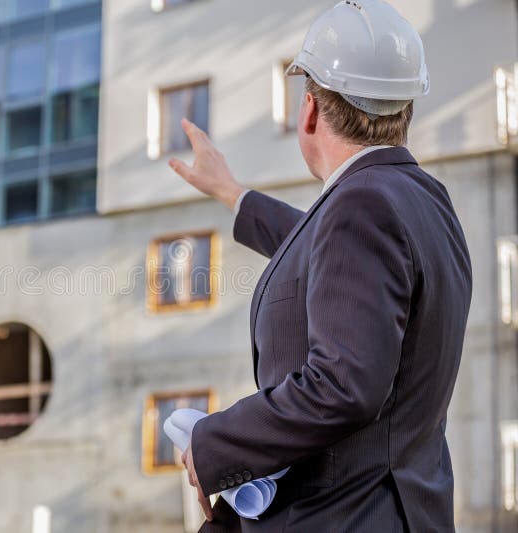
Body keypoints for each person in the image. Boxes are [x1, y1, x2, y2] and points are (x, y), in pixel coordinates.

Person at [167, 1, 472, 531]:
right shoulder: (421, 201)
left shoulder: (363, 206)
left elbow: (343, 384)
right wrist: (234, 194)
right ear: (405, 108)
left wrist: (212, 444)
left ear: (309, 110)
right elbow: (324, 254)